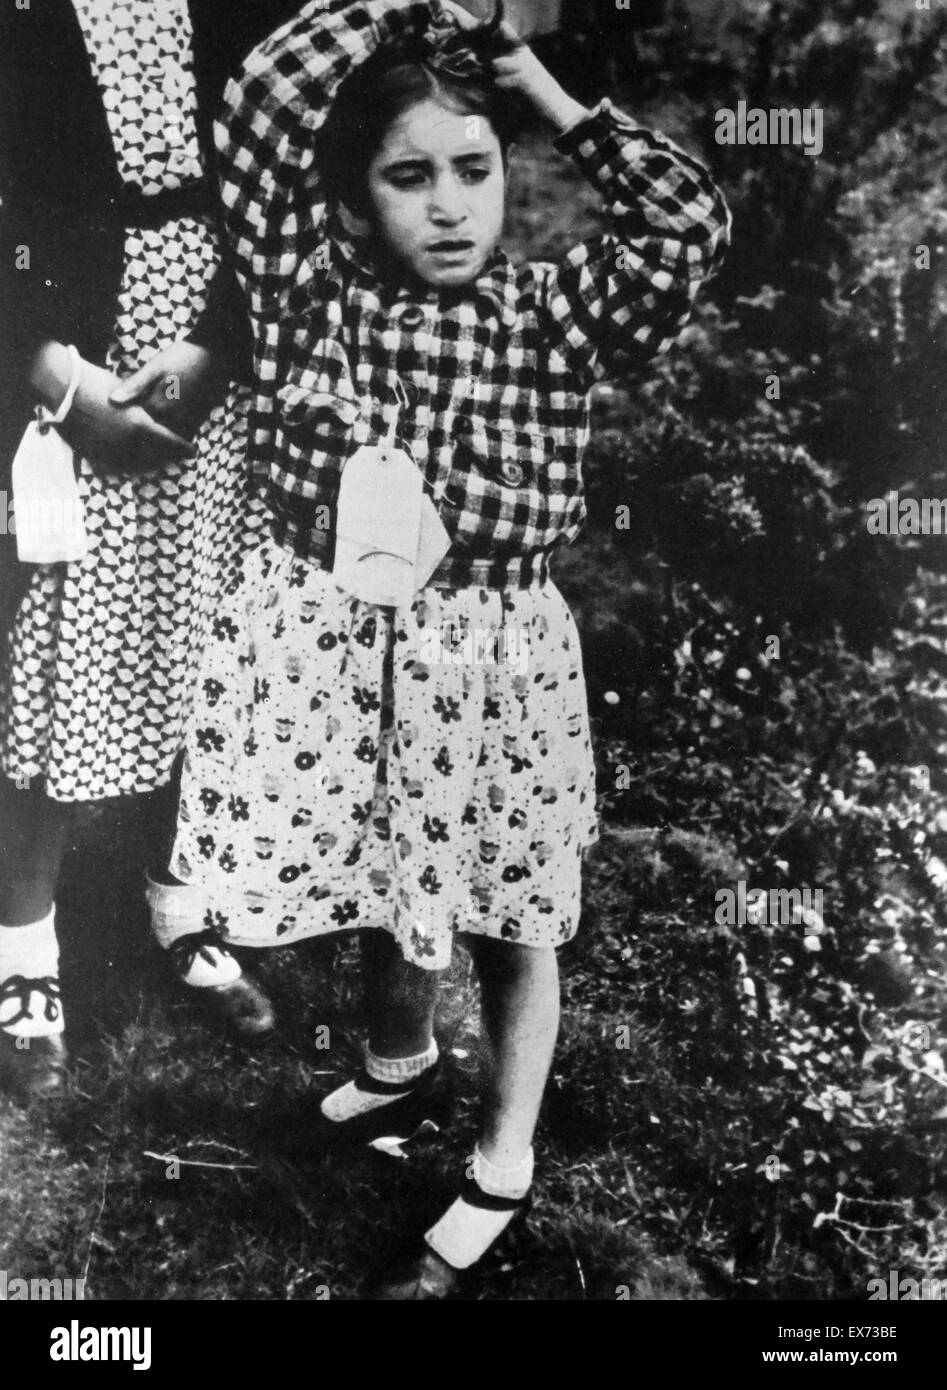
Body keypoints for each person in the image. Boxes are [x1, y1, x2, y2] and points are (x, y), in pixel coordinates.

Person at [157, 0, 730, 1296]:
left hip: (493, 656)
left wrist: (531, 77)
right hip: (359, 643)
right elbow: (256, 103)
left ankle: (501, 1159)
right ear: (354, 202)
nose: (450, 204)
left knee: (506, 919)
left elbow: (686, 226)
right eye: (407, 175)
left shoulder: (553, 308)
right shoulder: (315, 300)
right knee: (381, 871)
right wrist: (411, 9)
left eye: (473, 168)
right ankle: (393, 1068)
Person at [0, 0, 302, 1104]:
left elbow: (286, 175)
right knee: (54, 649)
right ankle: (23, 951)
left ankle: (181, 899)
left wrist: (213, 345)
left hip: (208, 345)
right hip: (48, 356)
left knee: (201, 631)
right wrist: (63, 382)